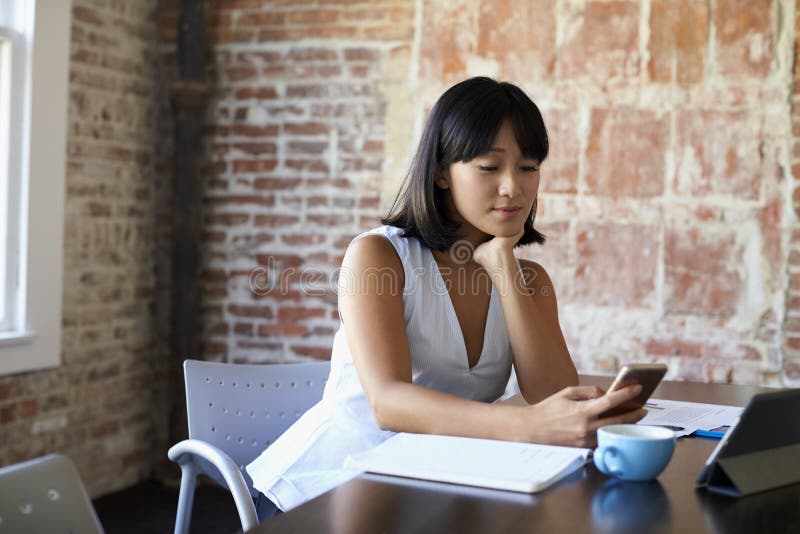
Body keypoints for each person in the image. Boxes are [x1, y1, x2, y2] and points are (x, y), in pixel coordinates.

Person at [246, 76, 645, 518]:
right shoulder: (379, 256)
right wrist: (525, 427)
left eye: (529, 167)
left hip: (442, 482)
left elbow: (552, 393)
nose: (514, 186)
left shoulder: (529, 279)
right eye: (490, 167)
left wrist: (502, 264)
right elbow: (388, 402)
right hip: (332, 488)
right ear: (440, 172)